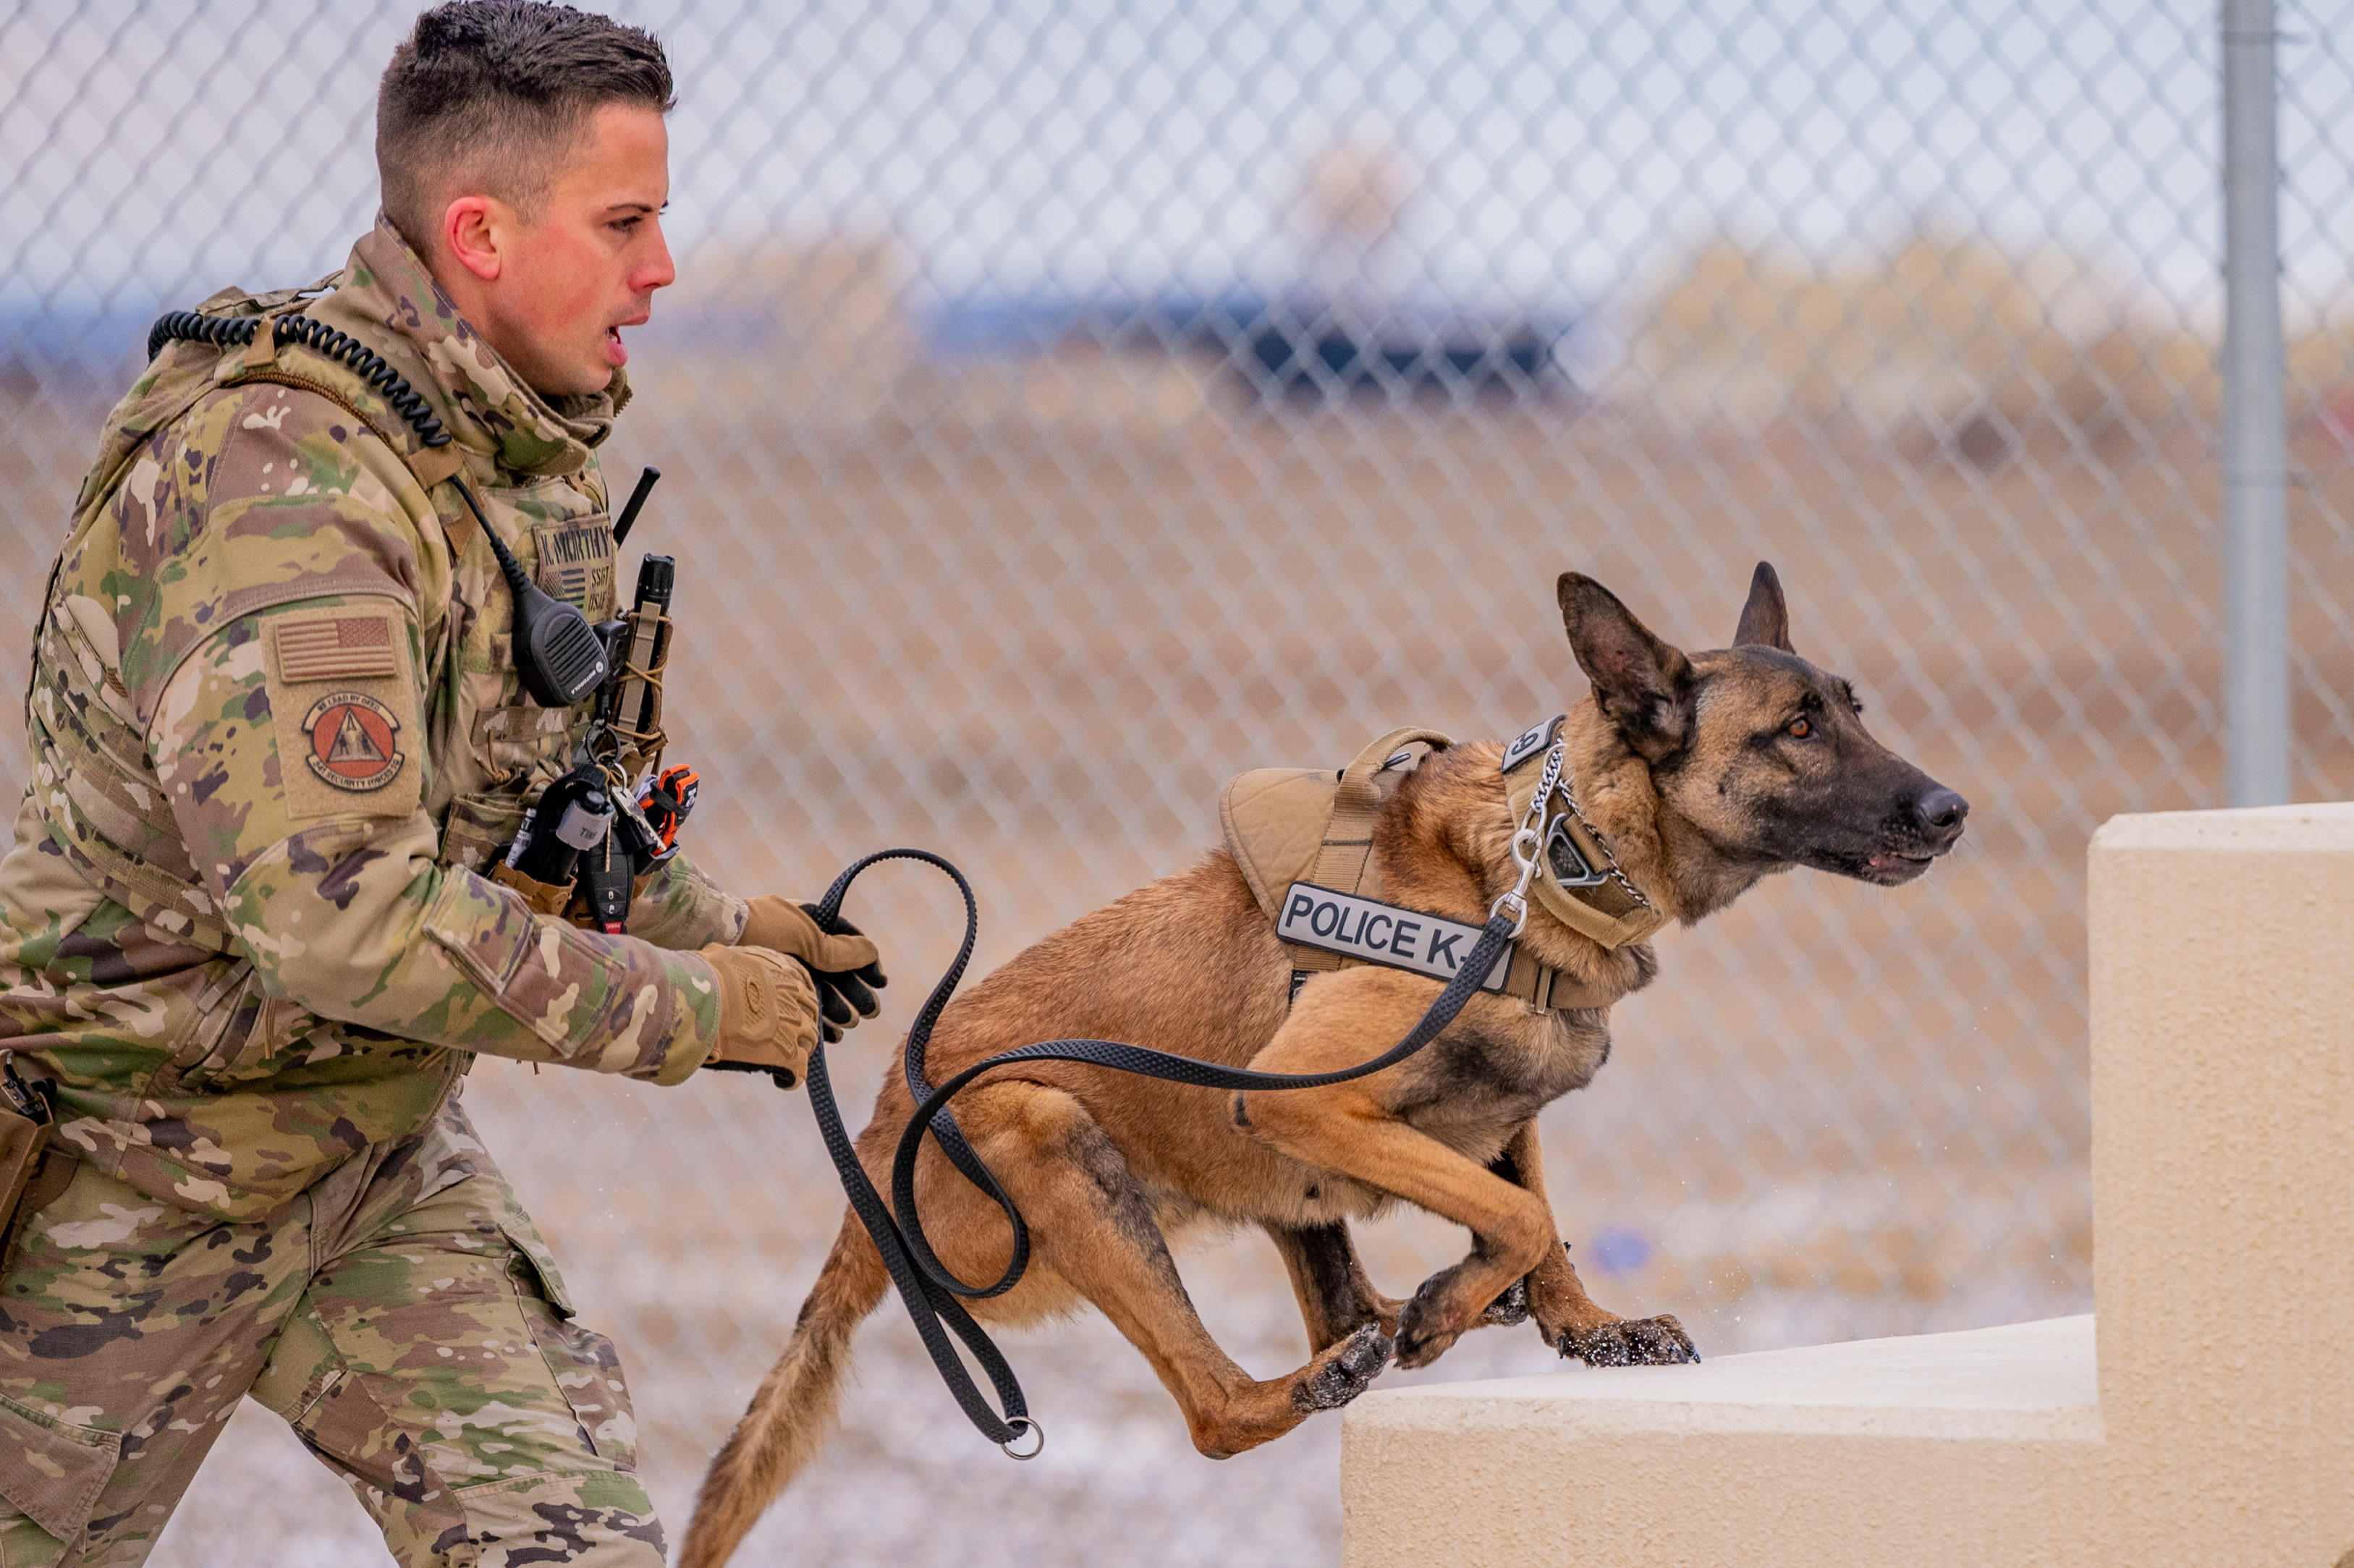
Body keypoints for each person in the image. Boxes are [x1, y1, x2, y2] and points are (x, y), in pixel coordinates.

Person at [0, 5, 882, 1562]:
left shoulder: (501, 460)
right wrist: (700, 1011)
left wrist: (733, 925)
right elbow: (343, 921)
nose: (664, 269)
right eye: (625, 223)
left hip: (368, 1161)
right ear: (480, 233)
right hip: (138, 1156)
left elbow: (522, 815)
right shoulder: (290, 490)